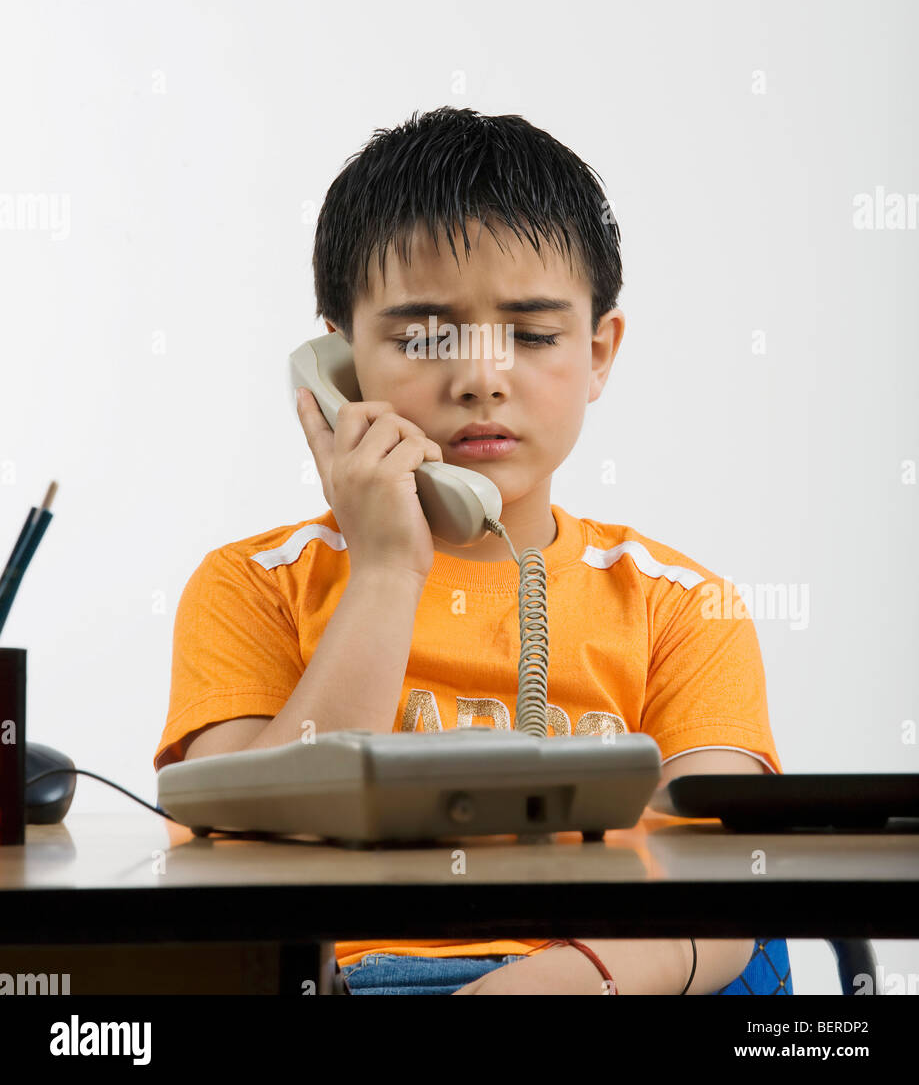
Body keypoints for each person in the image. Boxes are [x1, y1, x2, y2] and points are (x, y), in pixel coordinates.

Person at [154, 106, 786, 995]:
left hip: (596, 982)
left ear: (599, 353)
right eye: (422, 337)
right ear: (339, 364)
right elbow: (238, 861)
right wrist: (385, 572)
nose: (481, 378)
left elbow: (722, 899)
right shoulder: (253, 586)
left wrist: (554, 985)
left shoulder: (677, 604)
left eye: (531, 335)